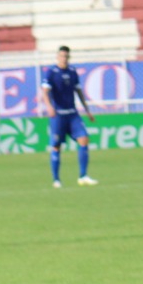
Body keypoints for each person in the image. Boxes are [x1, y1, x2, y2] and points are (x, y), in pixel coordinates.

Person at [41, 45, 97, 188]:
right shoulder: (51, 72)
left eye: (66, 56)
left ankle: (83, 176)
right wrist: (49, 106)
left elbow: (79, 92)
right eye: (61, 56)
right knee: (56, 146)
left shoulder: (73, 72)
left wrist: (87, 110)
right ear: (57, 57)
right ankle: (56, 179)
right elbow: (45, 91)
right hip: (58, 115)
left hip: (72, 114)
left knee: (84, 139)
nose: (64, 59)